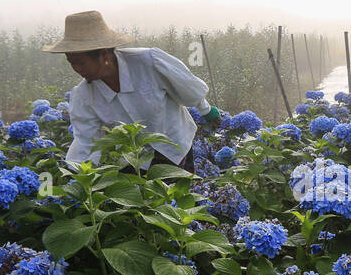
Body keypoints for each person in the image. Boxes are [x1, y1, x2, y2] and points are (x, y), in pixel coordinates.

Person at [41, 10, 220, 172]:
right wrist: (77, 175)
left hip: (174, 145)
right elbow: (86, 142)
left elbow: (188, 88)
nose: (76, 68)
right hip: (134, 160)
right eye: (71, 62)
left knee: (178, 204)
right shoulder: (84, 96)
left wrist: (206, 110)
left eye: (80, 62)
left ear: (103, 54)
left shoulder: (149, 62)